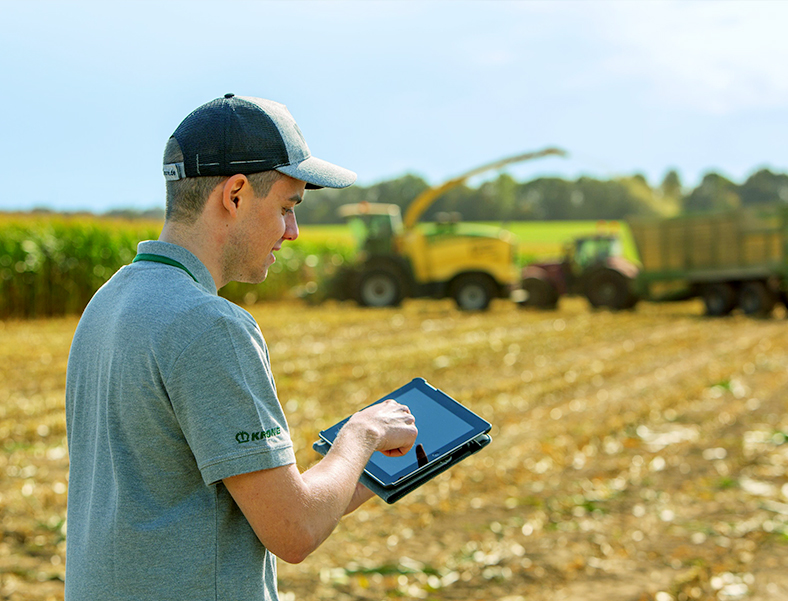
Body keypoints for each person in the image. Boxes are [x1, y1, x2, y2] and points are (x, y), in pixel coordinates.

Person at [64, 94, 419, 600]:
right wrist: (360, 435)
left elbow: (242, 502)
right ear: (233, 195)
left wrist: (376, 463)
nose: (292, 233)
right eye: (286, 208)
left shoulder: (110, 301)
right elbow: (292, 530)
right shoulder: (209, 325)